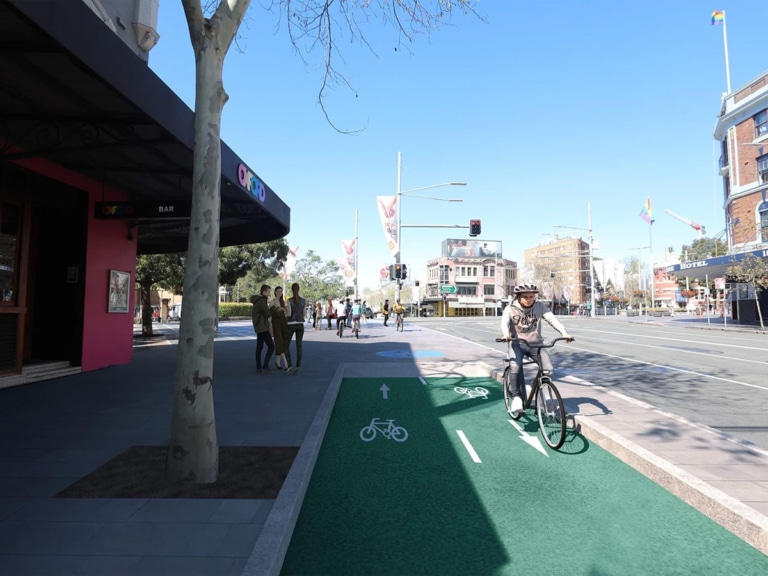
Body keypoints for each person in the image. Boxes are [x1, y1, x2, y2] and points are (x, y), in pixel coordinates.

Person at [499, 284, 573, 415]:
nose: (529, 299)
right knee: (515, 367)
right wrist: (506, 335)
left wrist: (564, 333)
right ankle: (516, 397)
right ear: (518, 297)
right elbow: (504, 323)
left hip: (536, 344)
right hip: (517, 344)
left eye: (531, 297)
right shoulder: (510, 308)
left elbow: (552, 319)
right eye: (525, 297)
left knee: (548, 370)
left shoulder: (540, 306)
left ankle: (539, 392)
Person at [251, 285, 274, 375]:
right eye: (268, 292)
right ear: (264, 292)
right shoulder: (262, 301)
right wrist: (273, 308)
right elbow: (267, 313)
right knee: (271, 346)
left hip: (259, 326)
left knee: (259, 347)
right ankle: (264, 366)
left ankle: (259, 367)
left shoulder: (258, 300)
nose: (269, 294)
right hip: (262, 327)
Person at [285, 283, 306, 375]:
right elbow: (304, 314)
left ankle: (289, 365)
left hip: (291, 324)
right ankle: (298, 365)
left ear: (292, 290)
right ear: (299, 289)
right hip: (300, 324)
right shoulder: (303, 301)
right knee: (299, 345)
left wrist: (285, 311)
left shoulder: (289, 300)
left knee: (286, 345)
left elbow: (289, 314)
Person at [269, 286, 291, 372]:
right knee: (279, 341)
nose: (280, 293)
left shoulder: (283, 302)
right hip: (276, 323)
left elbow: (287, 314)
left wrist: (285, 309)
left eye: (281, 291)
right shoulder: (272, 302)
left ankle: (277, 362)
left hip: (283, 322)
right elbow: (269, 315)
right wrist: (270, 326)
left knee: (283, 341)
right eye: (278, 291)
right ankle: (286, 363)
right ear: (275, 292)